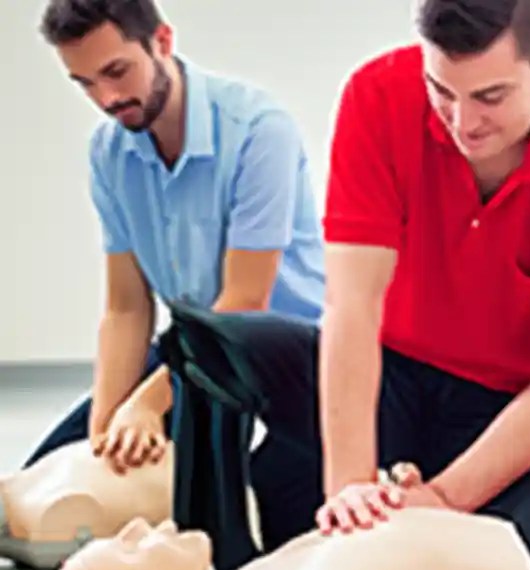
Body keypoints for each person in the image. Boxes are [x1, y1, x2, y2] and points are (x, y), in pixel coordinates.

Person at [156, 0, 530, 570]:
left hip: (508, 406)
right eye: (442, 91)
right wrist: (351, 492)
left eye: (490, 97)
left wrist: (444, 500)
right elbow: (352, 307)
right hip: (389, 378)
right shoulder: (379, 96)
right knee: (203, 343)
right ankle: (222, 561)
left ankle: (419, 548)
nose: (463, 122)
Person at [31, 0, 326, 476]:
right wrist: (102, 433)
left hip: (281, 356)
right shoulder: (109, 151)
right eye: (85, 83)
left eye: (116, 72)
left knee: (221, 506)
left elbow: (245, 303)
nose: (106, 98)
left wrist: (146, 405)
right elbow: (127, 309)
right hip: (193, 348)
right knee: (44, 480)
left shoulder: (258, 130)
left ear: (162, 42)